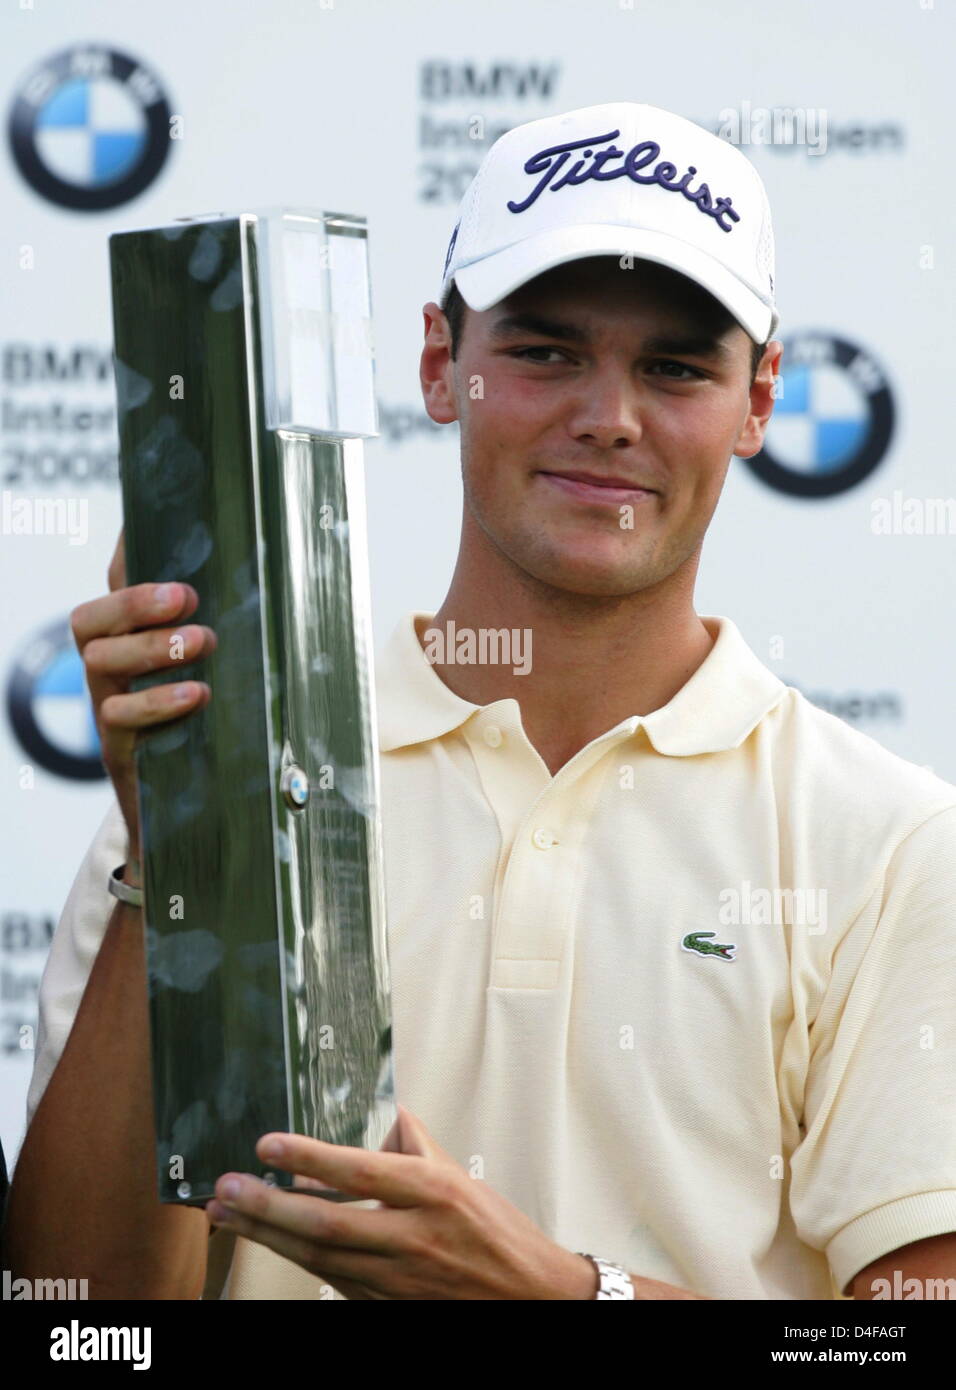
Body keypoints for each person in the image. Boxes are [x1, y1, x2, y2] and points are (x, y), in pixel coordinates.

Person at [5, 101, 956, 1301]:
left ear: (759, 401)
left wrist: (562, 1295)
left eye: (672, 366)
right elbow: (76, 1324)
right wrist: (180, 850)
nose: (607, 417)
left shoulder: (887, 844)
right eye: (546, 351)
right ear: (435, 366)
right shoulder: (232, 769)